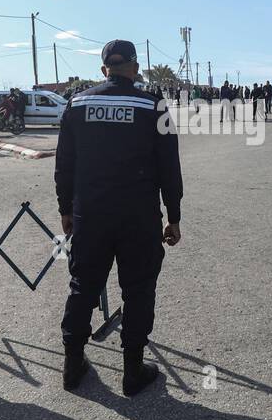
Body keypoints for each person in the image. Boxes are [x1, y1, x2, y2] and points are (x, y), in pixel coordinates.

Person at [54, 39, 183, 395]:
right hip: (137, 216)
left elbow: (64, 163)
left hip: (90, 214)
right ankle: (131, 370)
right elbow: (169, 167)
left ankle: (72, 363)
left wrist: (66, 209)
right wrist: (174, 215)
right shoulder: (153, 105)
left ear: (103, 69)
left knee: (82, 286)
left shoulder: (77, 103)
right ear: (136, 68)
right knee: (138, 289)